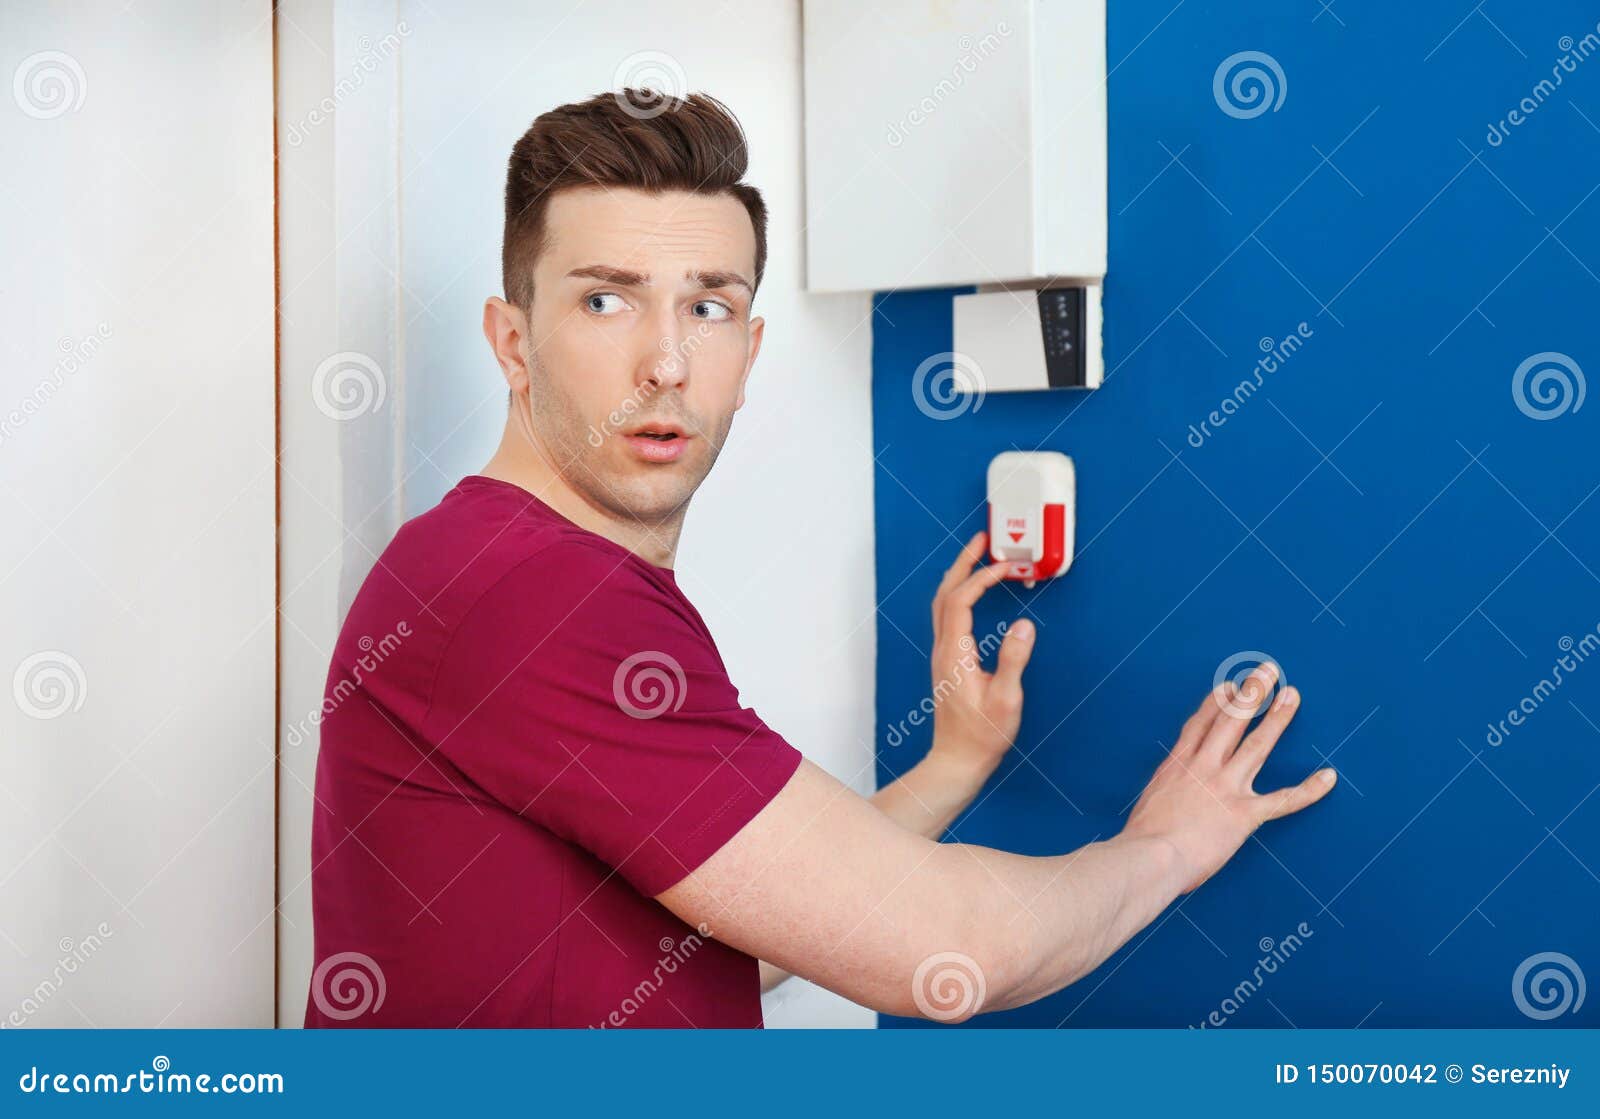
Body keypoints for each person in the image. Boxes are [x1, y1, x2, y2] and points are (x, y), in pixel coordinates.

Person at [303, 88, 1336, 1028]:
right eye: (606, 300)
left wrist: (951, 765)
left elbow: (734, 942)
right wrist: (1168, 846)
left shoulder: (490, 566)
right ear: (512, 342)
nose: (665, 363)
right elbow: (958, 951)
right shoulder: (535, 596)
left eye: (707, 306)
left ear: (748, 353)